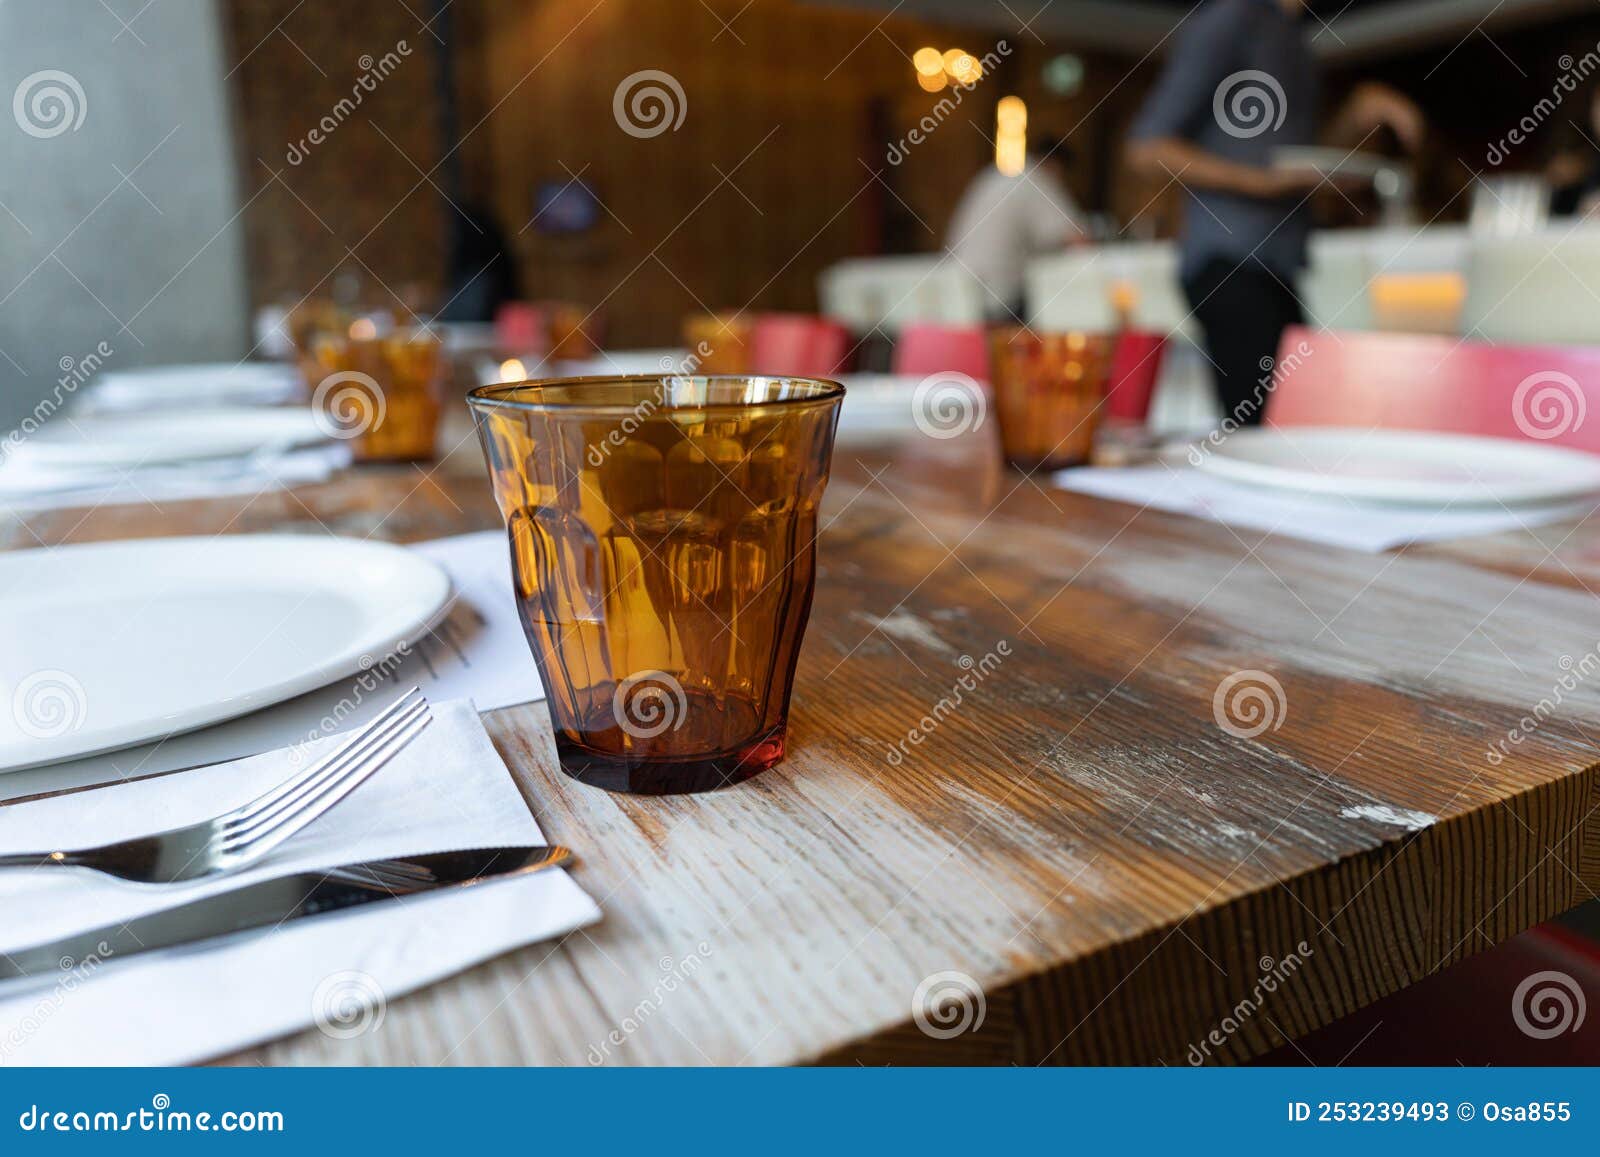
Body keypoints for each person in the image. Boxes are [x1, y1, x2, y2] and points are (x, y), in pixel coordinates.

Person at [1126, 0, 1422, 425]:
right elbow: (1147, 148)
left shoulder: (1297, 36)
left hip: (1279, 266)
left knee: (1296, 425)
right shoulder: (1232, 19)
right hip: (1227, 262)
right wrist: (1261, 183)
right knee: (1264, 432)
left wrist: (1356, 116)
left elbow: (1294, 161)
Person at [946, 139, 1086, 322]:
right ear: (1055, 167)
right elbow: (1078, 240)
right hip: (996, 302)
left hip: (954, 294)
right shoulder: (1038, 180)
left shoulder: (993, 175)